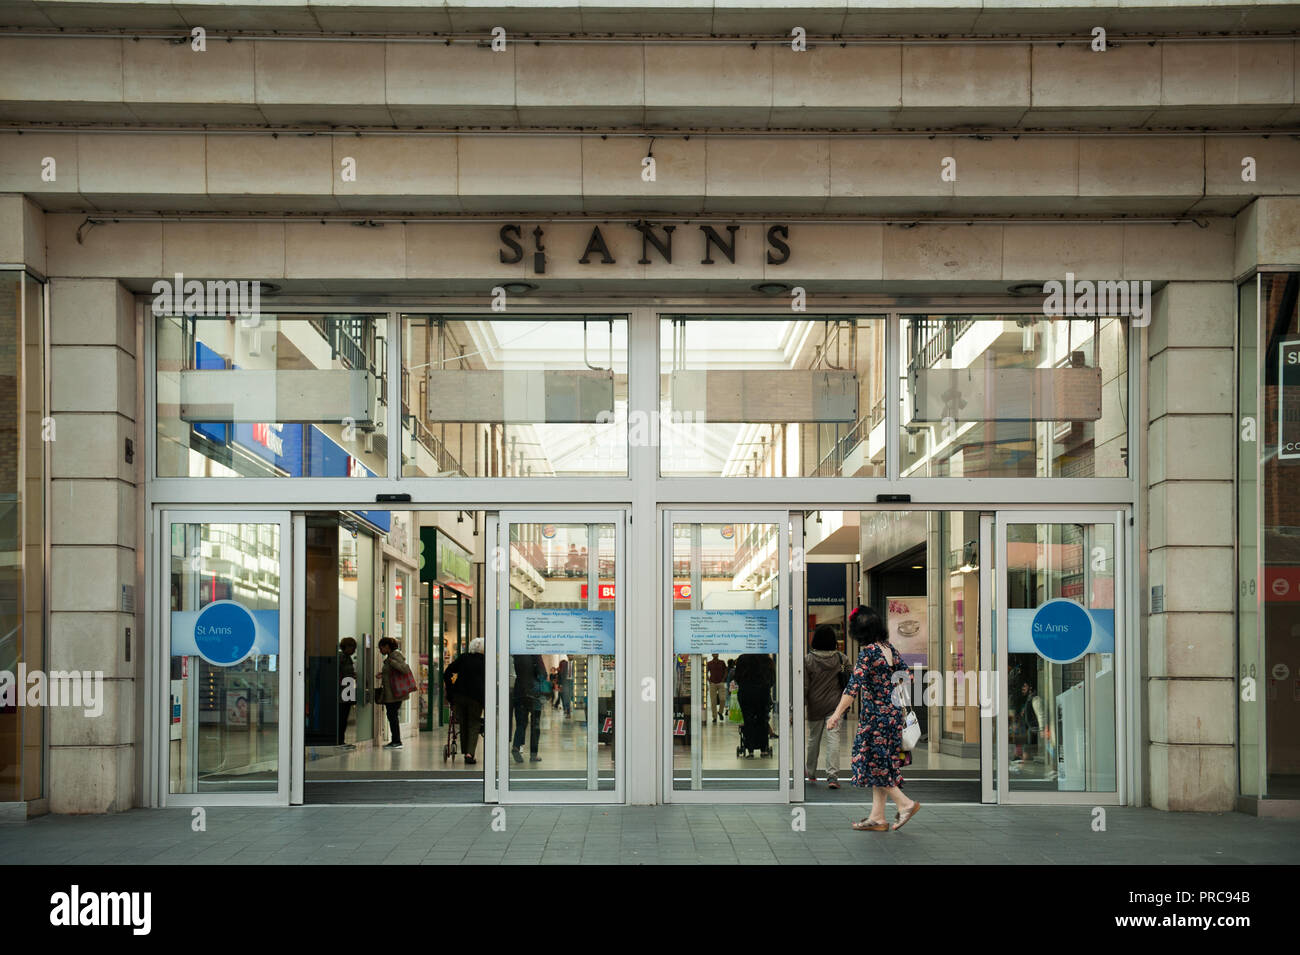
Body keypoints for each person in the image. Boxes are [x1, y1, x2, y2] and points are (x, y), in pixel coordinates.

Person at [826, 605, 921, 831]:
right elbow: (909, 678)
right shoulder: (889, 649)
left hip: (875, 719)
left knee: (869, 764)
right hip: (892, 716)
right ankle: (878, 818)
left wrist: (836, 714)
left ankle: (905, 804)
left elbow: (852, 688)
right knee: (883, 765)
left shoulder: (868, 652)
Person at [804, 624, 849, 788]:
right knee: (833, 739)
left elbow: (804, 686)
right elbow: (850, 681)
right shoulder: (841, 658)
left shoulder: (808, 659)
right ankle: (832, 776)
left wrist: (796, 708)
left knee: (813, 739)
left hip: (815, 705)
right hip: (835, 705)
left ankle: (810, 772)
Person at [442, 637, 486, 764]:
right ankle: (469, 754)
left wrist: (451, 688)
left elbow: (448, 672)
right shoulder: (485, 661)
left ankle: (465, 750)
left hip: (459, 696)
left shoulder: (463, 658)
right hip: (476, 698)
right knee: (474, 723)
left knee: (463, 722)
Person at [733, 653, 774, 754]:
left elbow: (737, 677)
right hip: (762, 693)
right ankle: (763, 749)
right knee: (762, 719)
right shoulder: (766, 659)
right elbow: (772, 678)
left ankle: (750, 749)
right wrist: (766, 686)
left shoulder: (742, 658)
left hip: (746, 693)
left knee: (748, 719)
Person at [377, 636, 412, 750]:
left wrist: (391, 662)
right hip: (391, 692)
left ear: (387, 647)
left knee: (392, 716)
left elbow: (404, 669)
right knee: (392, 716)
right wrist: (383, 674)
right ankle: (395, 740)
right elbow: (393, 672)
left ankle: (396, 741)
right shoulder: (390, 657)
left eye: (381, 647)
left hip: (394, 693)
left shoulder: (394, 656)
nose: (380, 650)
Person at [511, 653, 546, 763]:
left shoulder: (517, 655)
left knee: (521, 723)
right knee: (535, 725)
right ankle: (533, 755)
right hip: (534, 694)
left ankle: (516, 746)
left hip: (519, 691)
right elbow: (543, 674)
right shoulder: (535, 655)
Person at [337, 637, 357, 746]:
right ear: (347, 647)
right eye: (353, 648)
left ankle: (341, 740)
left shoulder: (348, 658)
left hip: (347, 691)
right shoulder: (342, 658)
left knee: (344, 717)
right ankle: (340, 740)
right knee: (342, 718)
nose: (354, 650)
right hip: (342, 692)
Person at [705, 653, 728, 723]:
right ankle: (714, 717)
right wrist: (709, 680)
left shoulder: (722, 662)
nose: (715, 655)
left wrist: (724, 679)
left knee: (723, 699)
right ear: (712, 655)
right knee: (713, 701)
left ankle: (720, 712)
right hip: (713, 683)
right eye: (714, 654)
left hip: (721, 683)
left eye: (716, 654)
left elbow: (726, 671)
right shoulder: (709, 663)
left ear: (718, 654)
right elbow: (705, 672)